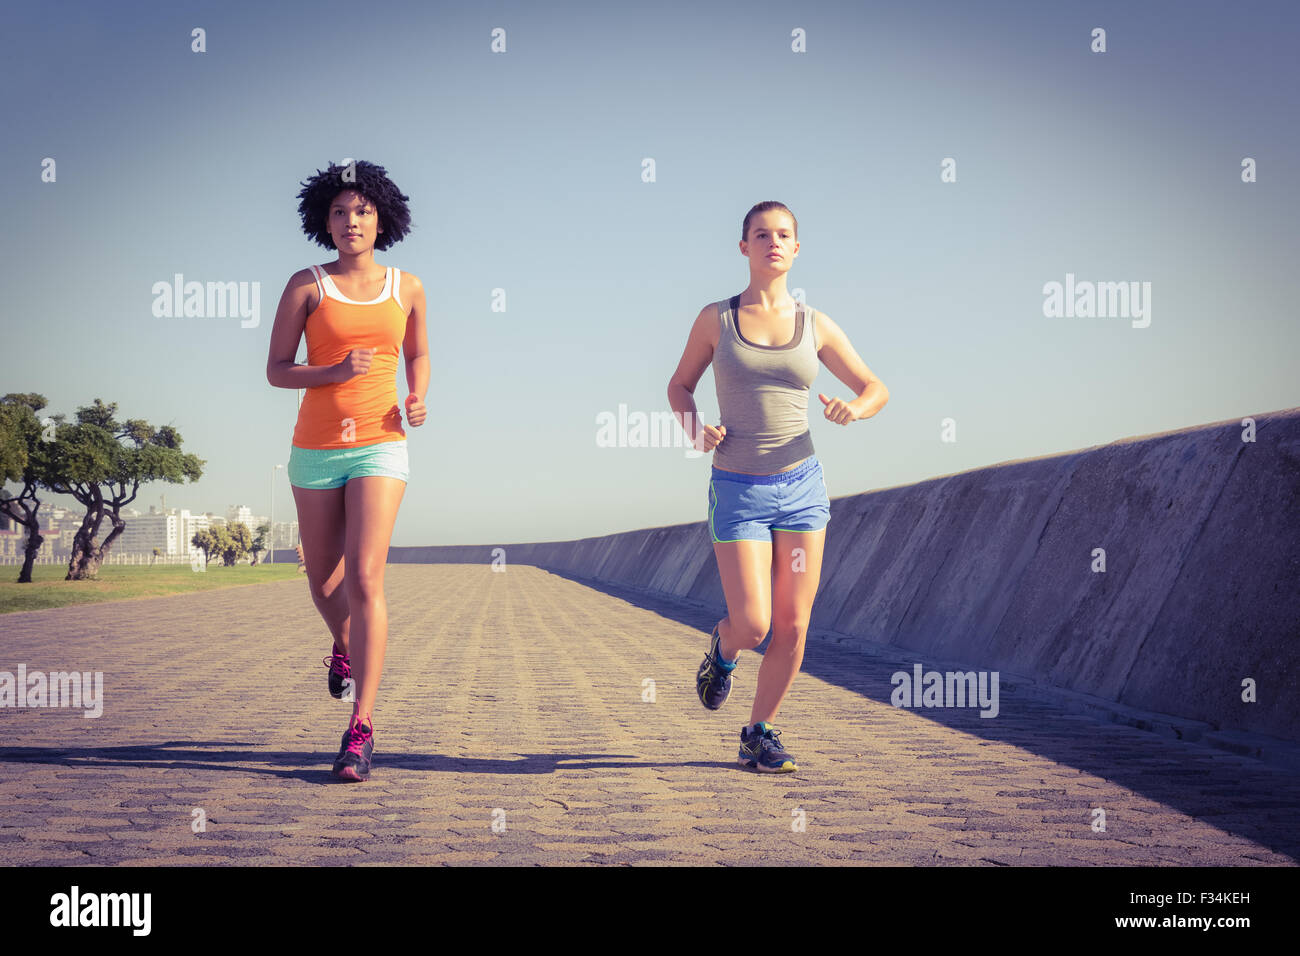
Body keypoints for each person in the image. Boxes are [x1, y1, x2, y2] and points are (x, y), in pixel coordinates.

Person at [667, 201, 889, 773]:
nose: (773, 242)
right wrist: (697, 430)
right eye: (761, 234)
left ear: (796, 249)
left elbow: (874, 386)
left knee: (793, 624)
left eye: (783, 235)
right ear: (743, 247)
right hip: (737, 488)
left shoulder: (816, 324)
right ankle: (724, 646)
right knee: (754, 624)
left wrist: (855, 409)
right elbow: (679, 387)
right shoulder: (715, 319)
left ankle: (757, 732)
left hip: (801, 487)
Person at [265, 160, 429, 782]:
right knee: (325, 583)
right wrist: (332, 372)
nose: (350, 221)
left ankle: (360, 727)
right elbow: (278, 369)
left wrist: (418, 395)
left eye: (361, 210)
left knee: (365, 577)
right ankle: (343, 644)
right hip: (315, 446)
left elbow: (418, 350)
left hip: (380, 444)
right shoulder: (306, 285)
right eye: (339, 211)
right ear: (324, 221)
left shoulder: (406, 287)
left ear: (381, 217)